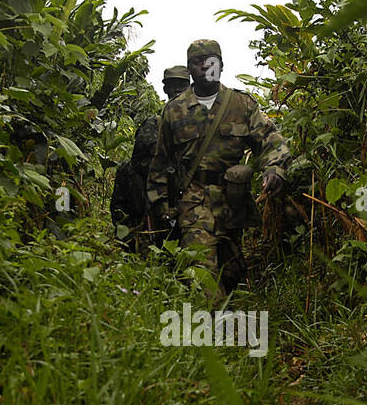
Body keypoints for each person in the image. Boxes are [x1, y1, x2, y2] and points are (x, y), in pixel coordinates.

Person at [147, 39, 289, 301]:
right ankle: (212, 331)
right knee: (203, 272)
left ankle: (232, 331)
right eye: (197, 62)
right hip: (193, 201)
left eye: (210, 61)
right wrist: (163, 207)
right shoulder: (175, 111)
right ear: (189, 69)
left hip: (232, 203)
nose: (204, 67)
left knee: (232, 273)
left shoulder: (242, 105)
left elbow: (271, 140)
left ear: (221, 66)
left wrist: (274, 168)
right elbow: (160, 163)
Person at [109, 66, 191, 253]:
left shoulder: (203, 123)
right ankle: (135, 238)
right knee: (127, 171)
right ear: (166, 90)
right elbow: (139, 163)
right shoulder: (154, 124)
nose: (176, 90)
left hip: (191, 202)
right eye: (172, 86)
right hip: (157, 199)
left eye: (181, 85)